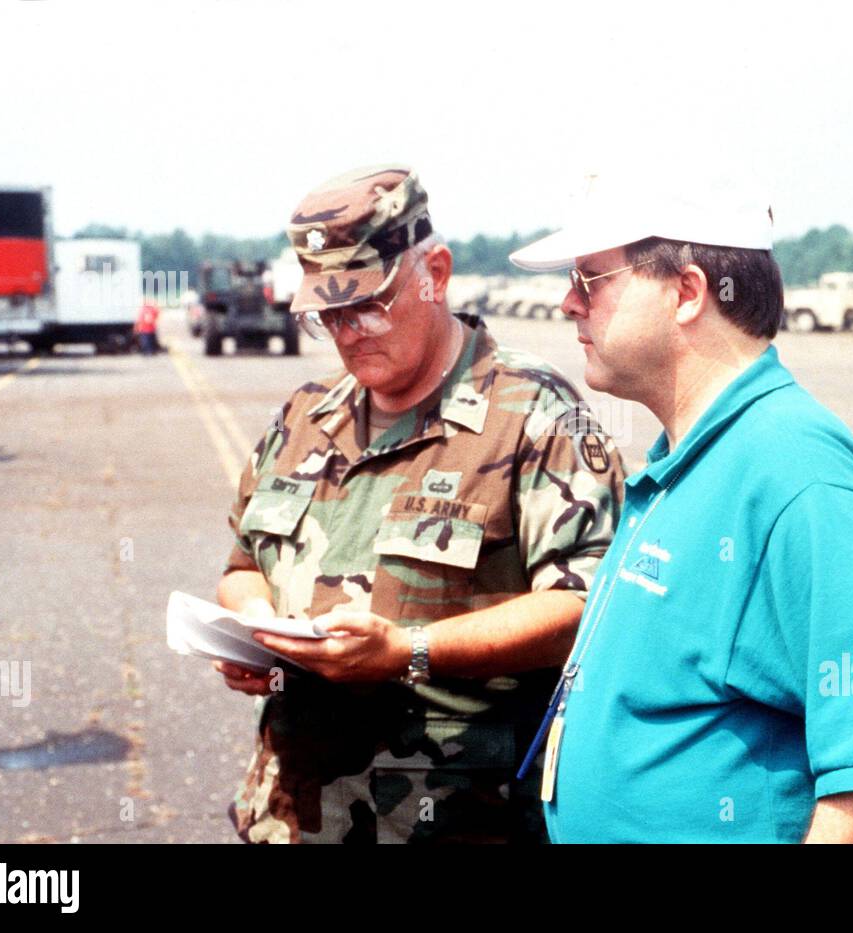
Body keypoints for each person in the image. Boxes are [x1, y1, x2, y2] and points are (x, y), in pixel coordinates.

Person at [508, 167, 853, 843]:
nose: (569, 304)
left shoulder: (791, 464)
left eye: (590, 279)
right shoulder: (693, 454)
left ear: (687, 292)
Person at [214, 165, 625, 843]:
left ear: (436, 271)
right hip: (293, 816)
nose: (349, 333)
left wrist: (412, 649)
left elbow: (588, 608)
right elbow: (242, 563)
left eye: (369, 305)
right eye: (329, 315)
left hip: (456, 821)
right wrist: (255, 629)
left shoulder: (536, 415)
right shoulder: (302, 416)